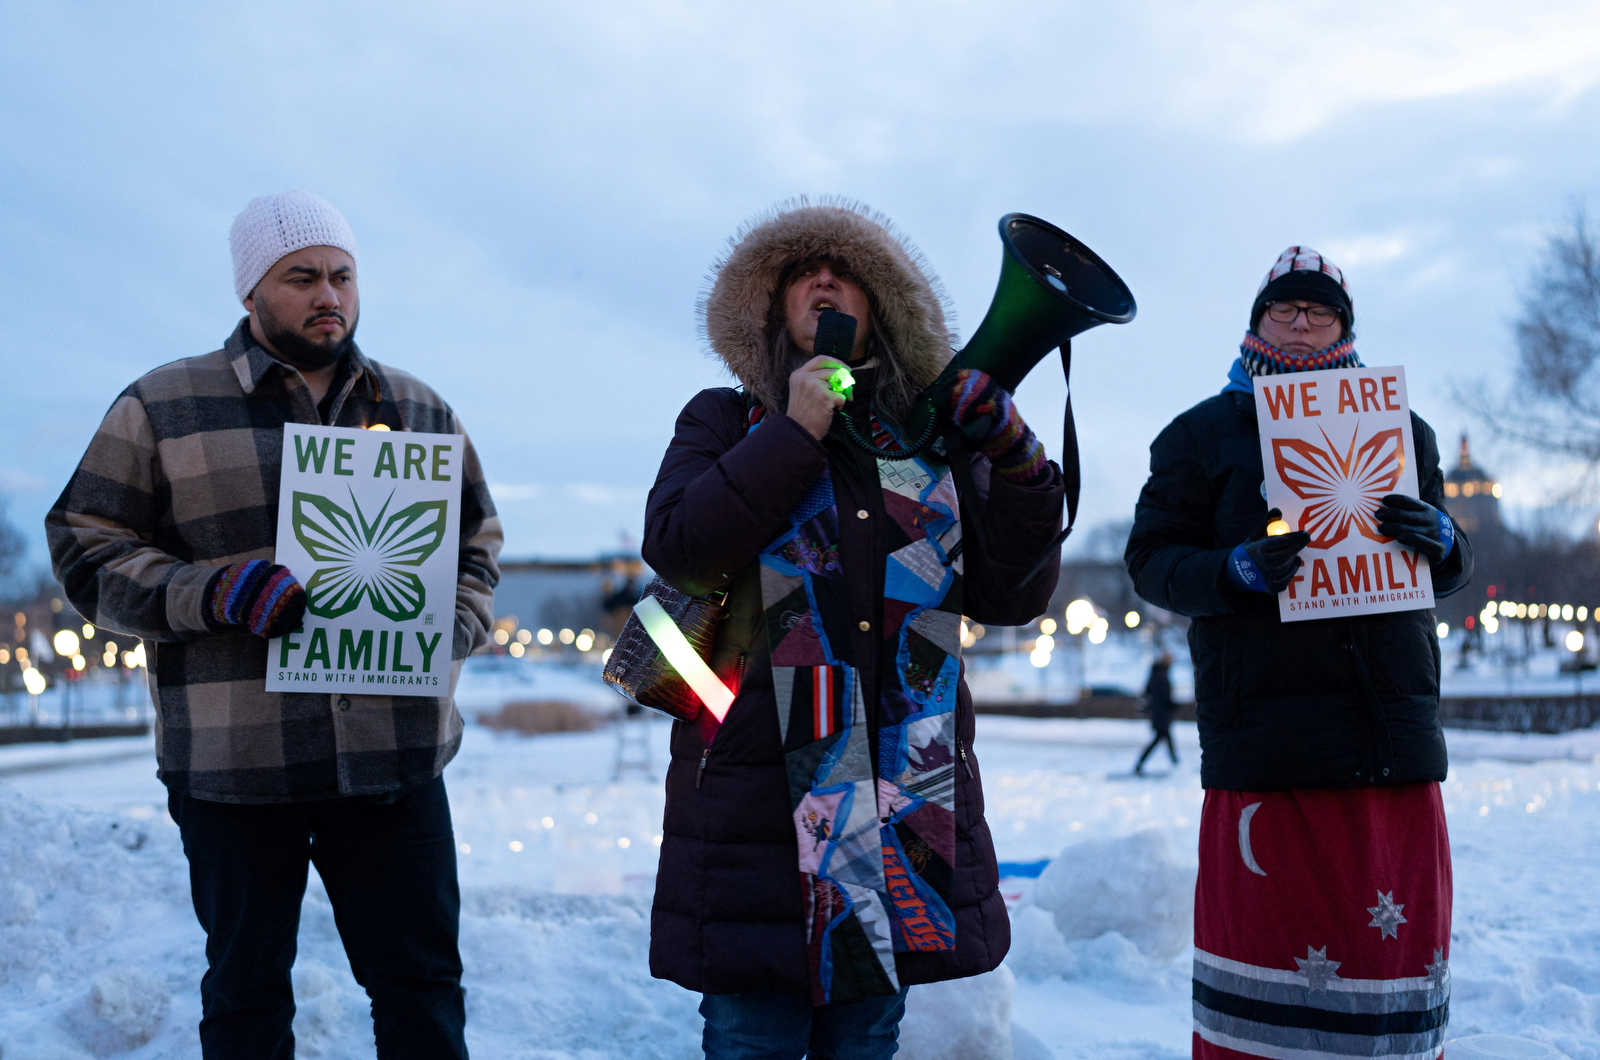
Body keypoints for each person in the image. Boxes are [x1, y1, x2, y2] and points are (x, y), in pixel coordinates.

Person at [46, 190, 501, 1060]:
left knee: (423, 991)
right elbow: (84, 547)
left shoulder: (421, 409)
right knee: (248, 995)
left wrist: (455, 623)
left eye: (342, 275)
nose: (328, 294)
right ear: (250, 292)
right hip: (235, 765)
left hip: (393, 762)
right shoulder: (162, 406)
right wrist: (209, 593)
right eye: (301, 277)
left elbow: (476, 543)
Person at [644, 200, 1065, 1057]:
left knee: (867, 1035)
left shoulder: (925, 444)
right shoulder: (723, 422)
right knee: (748, 1033)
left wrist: (1018, 464)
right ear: (772, 309)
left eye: (846, 274)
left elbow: (1012, 596)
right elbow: (681, 547)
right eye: (803, 274)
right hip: (755, 799)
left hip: (897, 793)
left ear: (882, 308)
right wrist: (796, 429)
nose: (825, 281)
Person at [1125, 246, 1471, 1058]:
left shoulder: (1404, 432)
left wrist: (1445, 541)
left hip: (1389, 740)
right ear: (1258, 323)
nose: (1304, 321)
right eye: (1286, 308)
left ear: (1346, 327)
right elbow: (1151, 561)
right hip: (1268, 748)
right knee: (1271, 978)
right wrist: (1231, 570)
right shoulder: (1200, 435)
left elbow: (1448, 571)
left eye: (1321, 310)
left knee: (1386, 973)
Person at [1132, 651, 1177, 775]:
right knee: (1159, 739)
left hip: (1160, 713)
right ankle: (1140, 763)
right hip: (1160, 714)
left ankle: (1175, 762)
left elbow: (1149, 691)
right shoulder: (1160, 674)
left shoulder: (1158, 673)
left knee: (1165, 738)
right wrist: (1170, 704)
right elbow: (1160, 695)